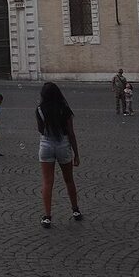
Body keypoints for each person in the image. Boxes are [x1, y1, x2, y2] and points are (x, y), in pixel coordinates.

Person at [36, 82, 82, 229]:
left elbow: (41, 130)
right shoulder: (65, 109)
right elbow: (71, 133)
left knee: (47, 182)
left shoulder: (39, 110)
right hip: (63, 144)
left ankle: (47, 216)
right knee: (69, 180)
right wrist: (76, 154)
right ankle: (75, 210)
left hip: (46, 145)